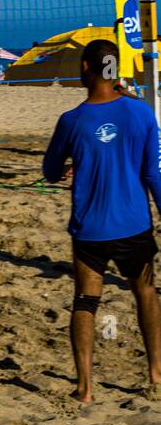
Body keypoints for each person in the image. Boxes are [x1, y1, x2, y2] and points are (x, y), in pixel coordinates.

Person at [42, 40, 161, 403]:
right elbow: (154, 174)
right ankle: (156, 374)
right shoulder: (141, 113)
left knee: (85, 302)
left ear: (84, 67)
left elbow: (48, 172)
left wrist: (65, 167)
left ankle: (86, 388)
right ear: (114, 68)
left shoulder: (71, 121)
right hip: (134, 224)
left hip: (91, 228)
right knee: (145, 293)